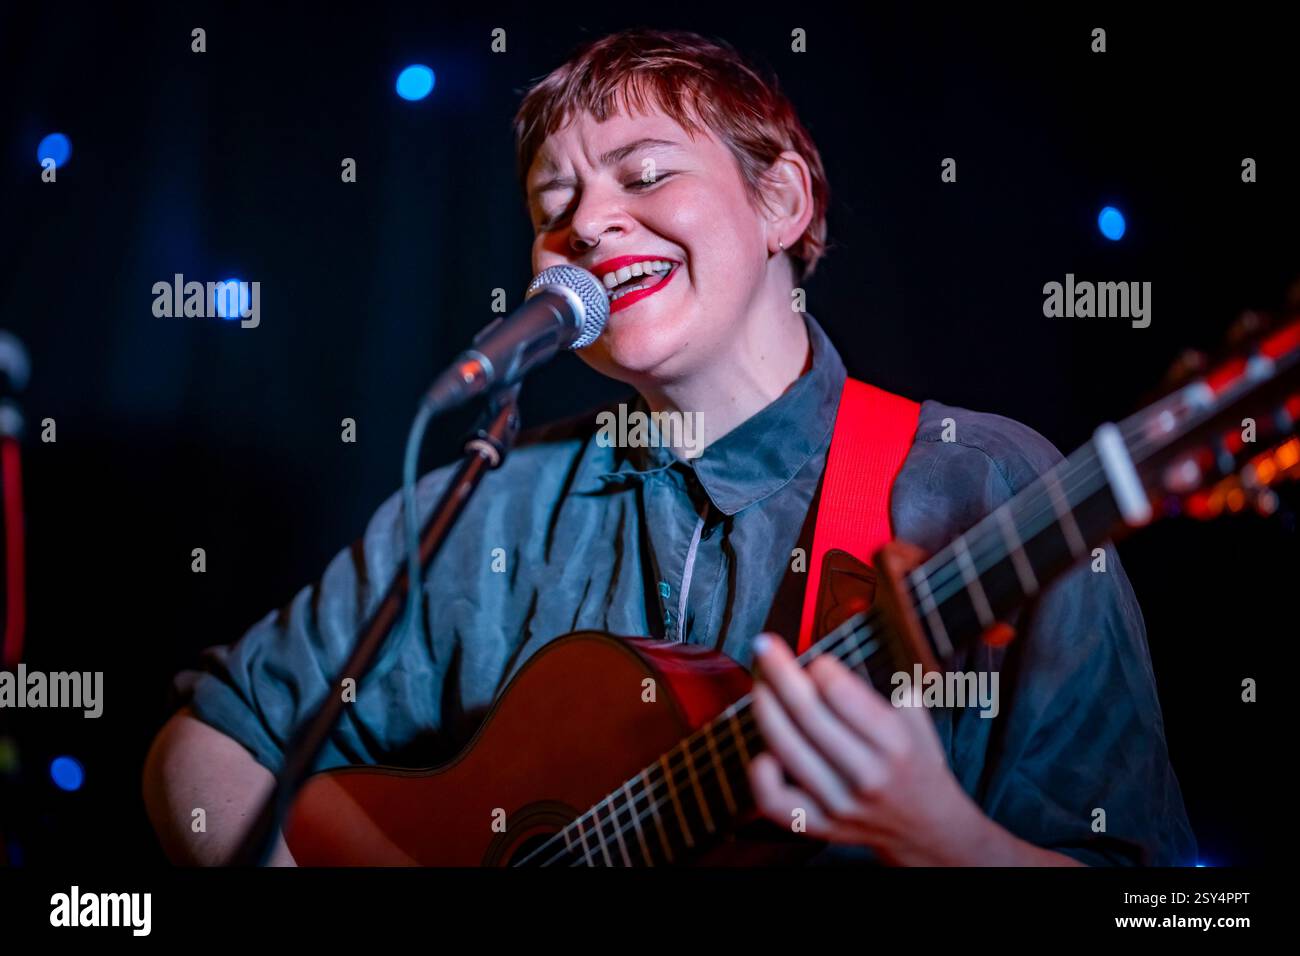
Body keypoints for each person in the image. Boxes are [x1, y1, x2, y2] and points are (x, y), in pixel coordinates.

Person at [143, 27, 1196, 867]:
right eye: (554, 207)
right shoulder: (483, 506)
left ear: (780, 199)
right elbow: (208, 740)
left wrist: (944, 840)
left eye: (643, 175)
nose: (591, 225)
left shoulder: (989, 484)